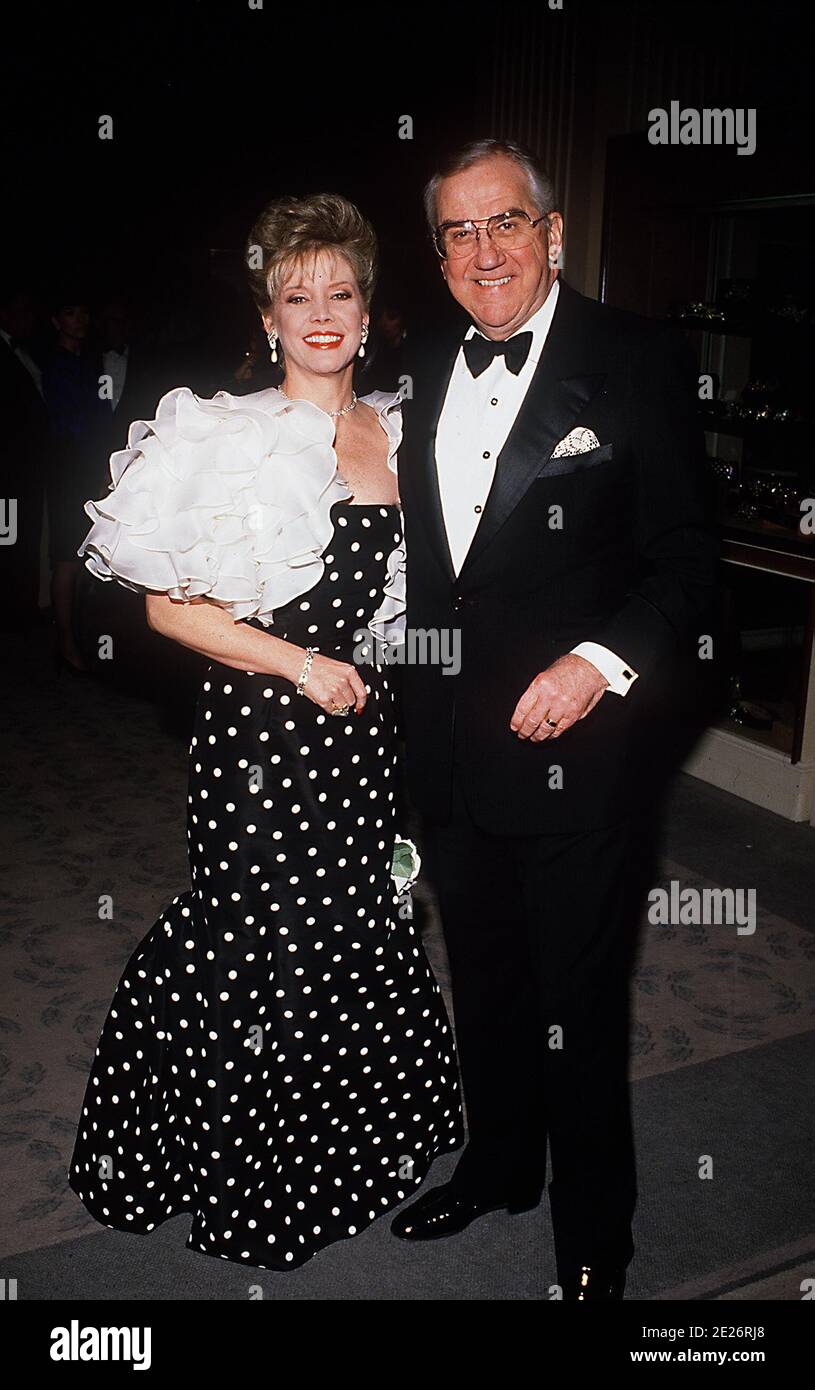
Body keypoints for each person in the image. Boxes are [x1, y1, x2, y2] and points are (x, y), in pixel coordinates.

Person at [68, 193, 463, 1271]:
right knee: (253, 937)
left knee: (355, 928)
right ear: (267, 315)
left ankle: (350, 1143)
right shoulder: (226, 433)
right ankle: (228, 1166)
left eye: (340, 291)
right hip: (259, 733)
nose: (321, 313)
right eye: (299, 296)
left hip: (360, 737)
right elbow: (163, 606)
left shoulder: (395, 425)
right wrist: (299, 665)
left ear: (370, 306)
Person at [391, 139, 719, 1298]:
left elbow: (687, 566)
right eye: (458, 233)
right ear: (436, 258)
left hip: (577, 749)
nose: (484, 251)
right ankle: (497, 1168)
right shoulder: (420, 362)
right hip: (443, 745)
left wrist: (594, 664)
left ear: (553, 231)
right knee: (481, 977)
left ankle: (594, 1235)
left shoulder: (633, 356)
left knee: (576, 1002)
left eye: (505, 224)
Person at [42, 290, 111, 672]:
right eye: (70, 312)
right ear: (56, 321)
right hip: (69, 468)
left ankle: (82, 637)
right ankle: (65, 641)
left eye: (83, 311)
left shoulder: (91, 361)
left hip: (94, 466)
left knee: (93, 552)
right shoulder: (55, 363)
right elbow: (68, 424)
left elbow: (102, 416)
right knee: (67, 556)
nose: (79, 319)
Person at [0, 284, 50, 633]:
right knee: (8, 536)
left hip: (29, 469)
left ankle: (21, 608)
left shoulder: (28, 351)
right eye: (20, 312)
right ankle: (11, 611)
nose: (27, 319)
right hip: (9, 471)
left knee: (24, 536)